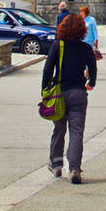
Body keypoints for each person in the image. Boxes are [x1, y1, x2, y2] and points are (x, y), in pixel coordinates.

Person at [42, 12, 97, 184]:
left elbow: (47, 70)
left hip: (60, 92)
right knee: (76, 132)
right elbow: (93, 69)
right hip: (78, 92)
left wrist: (44, 91)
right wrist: (91, 82)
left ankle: (56, 164)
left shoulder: (58, 46)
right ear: (82, 30)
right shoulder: (85, 48)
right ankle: (74, 168)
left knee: (59, 129)